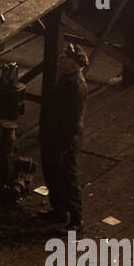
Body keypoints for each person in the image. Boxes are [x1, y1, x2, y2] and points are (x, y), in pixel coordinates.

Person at [39, 42, 89, 232]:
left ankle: (76, 220)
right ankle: (59, 211)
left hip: (66, 140)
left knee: (69, 178)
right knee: (52, 175)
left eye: (65, 57)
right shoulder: (66, 77)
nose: (60, 58)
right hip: (54, 136)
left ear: (75, 64)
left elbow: (74, 121)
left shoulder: (76, 87)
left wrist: (64, 145)